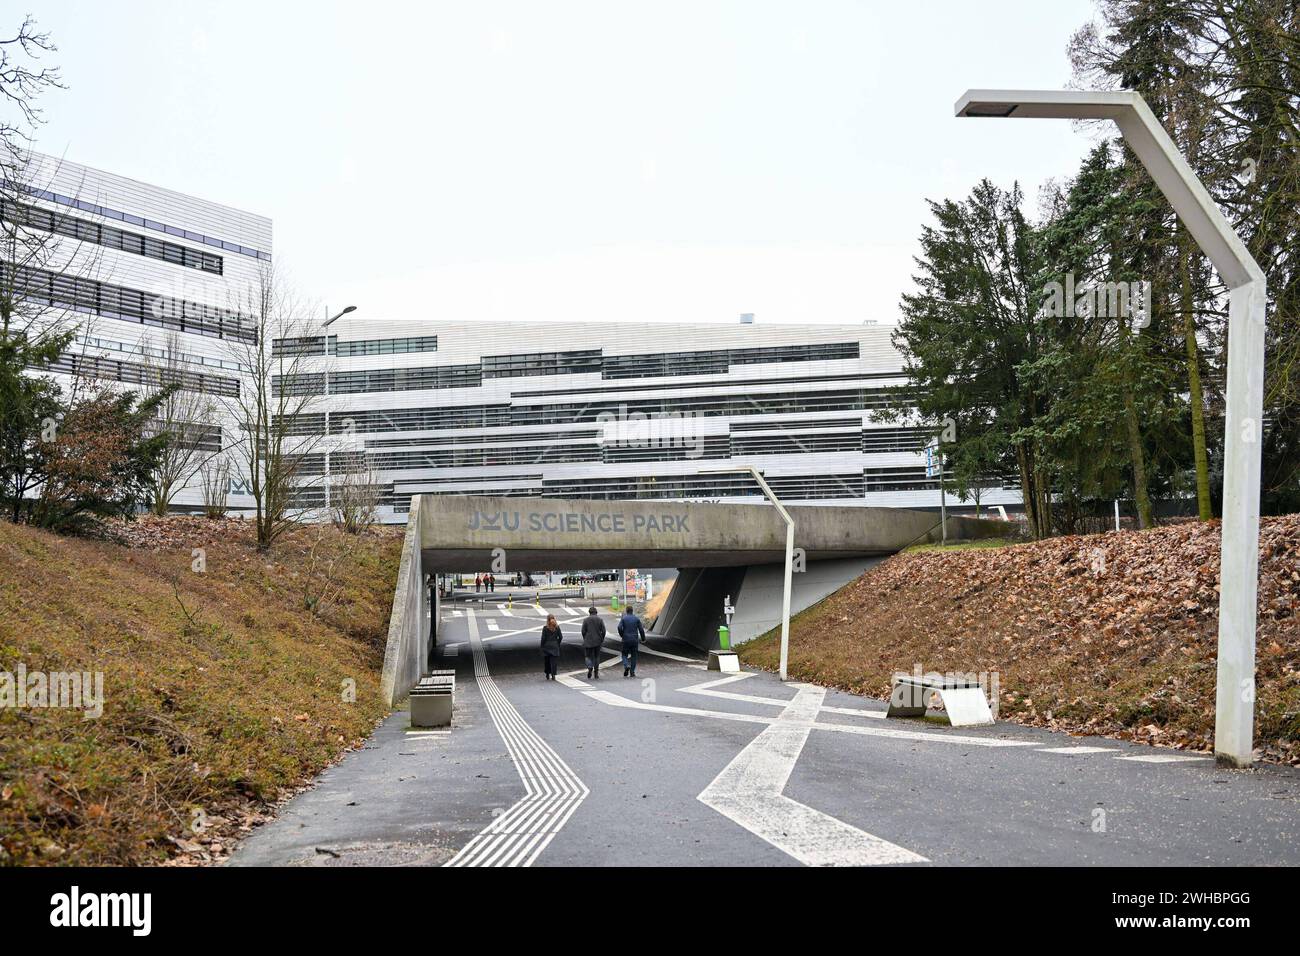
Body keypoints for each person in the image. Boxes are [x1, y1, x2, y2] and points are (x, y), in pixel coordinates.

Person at [617, 605, 647, 677]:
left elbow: (619, 627)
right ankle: (632, 672)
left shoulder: (624, 619)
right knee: (634, 655)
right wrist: (643, 639)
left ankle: (626, 665)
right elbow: (641, 630)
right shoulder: (636, 619)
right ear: (632, 611)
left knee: (624, 654)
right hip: (634, 640)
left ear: (626, 611)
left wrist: (622, 635)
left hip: (626, 639)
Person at [580, 606, 606, 679]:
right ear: (596, 612)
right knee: (596, 656)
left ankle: (590, 667)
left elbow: (583, 631)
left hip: (588, 640)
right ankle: (596, 673)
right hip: (598, 641)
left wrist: (585, 638)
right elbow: (603, 631)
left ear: (589, 612)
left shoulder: (585, 620)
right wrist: (602, 639)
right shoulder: (600, 620)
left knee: (588, 656)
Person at [540, 614, 563, 681]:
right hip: (554, 646)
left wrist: (542, 646)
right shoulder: (557, 627)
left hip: (547, 646)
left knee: (547, 661)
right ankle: (553, 674)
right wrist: (557, 643)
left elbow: (543, 638)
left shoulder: (545, 628)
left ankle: (547, 673)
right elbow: (561, 637)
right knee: (554, 662)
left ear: (547, 620)